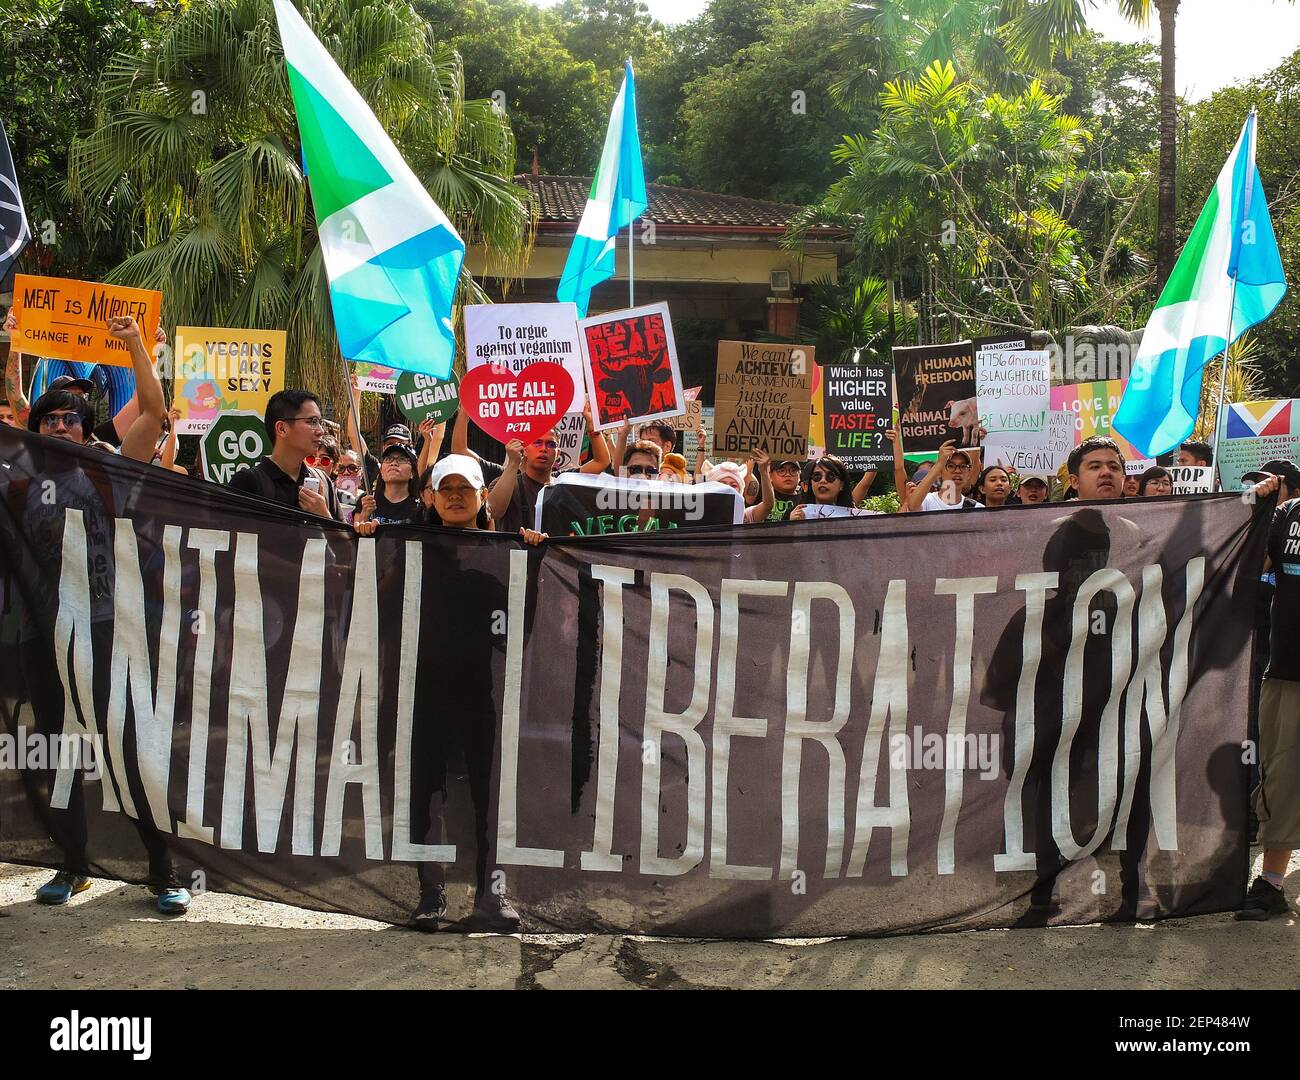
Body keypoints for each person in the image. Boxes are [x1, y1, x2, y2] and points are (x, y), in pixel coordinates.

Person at [14, 316, 188, 913]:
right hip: (43, 632)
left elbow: (155, 414)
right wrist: (10, 347)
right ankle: (72, 865)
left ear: (87, 430)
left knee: (127, 747)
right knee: (60, 748)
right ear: (35, 429)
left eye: (71, 418)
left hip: (107, 627)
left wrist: (136, 346)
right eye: (50, 418)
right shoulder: (19, 478)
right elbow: (7, 408)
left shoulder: (105, 469)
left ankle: (163, 871)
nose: (61, 424)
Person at [403, 454, 542, 931]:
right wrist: (361, 541)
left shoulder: (505, 554)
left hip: (480, 695)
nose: (457, 496)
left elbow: (518, 628)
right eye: (447, 489)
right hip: (422, 695)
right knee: (426, 792)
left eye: (466, 488)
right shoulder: (404, 550)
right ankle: (430, 894)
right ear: (431, 498)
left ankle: (491, 895)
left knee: (489, 793)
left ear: (485, 497)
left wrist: (534, 562)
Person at [1239, 459, 1300, 920]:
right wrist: (1252, 506)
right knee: (1281, 777)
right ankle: (1272, 883)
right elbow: (1247, 562)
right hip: (1288, 669)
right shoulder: (1288, 514)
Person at [227, 389, 339, 519]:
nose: (321, 431)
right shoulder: (247, 483)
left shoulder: (323, 481)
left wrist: (324, 516)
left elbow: (342, 539)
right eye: (312, 421)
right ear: (282, 428)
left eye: (320, 422)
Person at [353, 443, 421, 527]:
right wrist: (364, 516)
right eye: (388, 459)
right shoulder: (368, 500)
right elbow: (356, 535)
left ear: (412, 473)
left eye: (402, 459)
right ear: (381, 471)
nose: (393, 463)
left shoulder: (419, 506)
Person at [905, 440, 983, 511]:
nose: (957, 471)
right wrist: (939, 462)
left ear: (969, 473)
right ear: (939, 472)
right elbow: (912, 506)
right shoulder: (926, 501)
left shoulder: (978, 509)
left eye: (963, 466)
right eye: (950, 466)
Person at [1067, 435, 1127, 501]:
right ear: (1075, 481)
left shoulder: (1138, 510)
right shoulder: (1058, 511)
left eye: (1113, 467)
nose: (1107, 472)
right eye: (1095, 467)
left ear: (1123, 479)